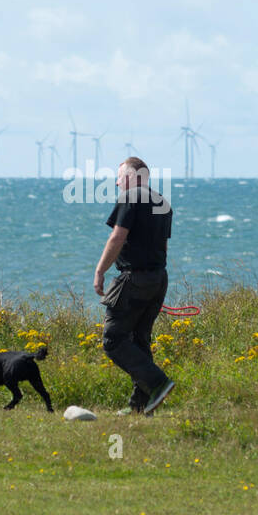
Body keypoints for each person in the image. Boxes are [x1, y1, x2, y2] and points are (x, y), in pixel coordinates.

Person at [93, 156, 175, 414]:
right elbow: (163, 246)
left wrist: (100, 271)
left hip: (134, 279)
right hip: (158, 278)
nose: (117, 184)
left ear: (130, 177)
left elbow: (117, 237)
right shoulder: (163, 202)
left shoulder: (131, 197)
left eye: (118, 178)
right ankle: (139, 405)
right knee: (140, 341)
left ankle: (158, 383)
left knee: (113, 340)